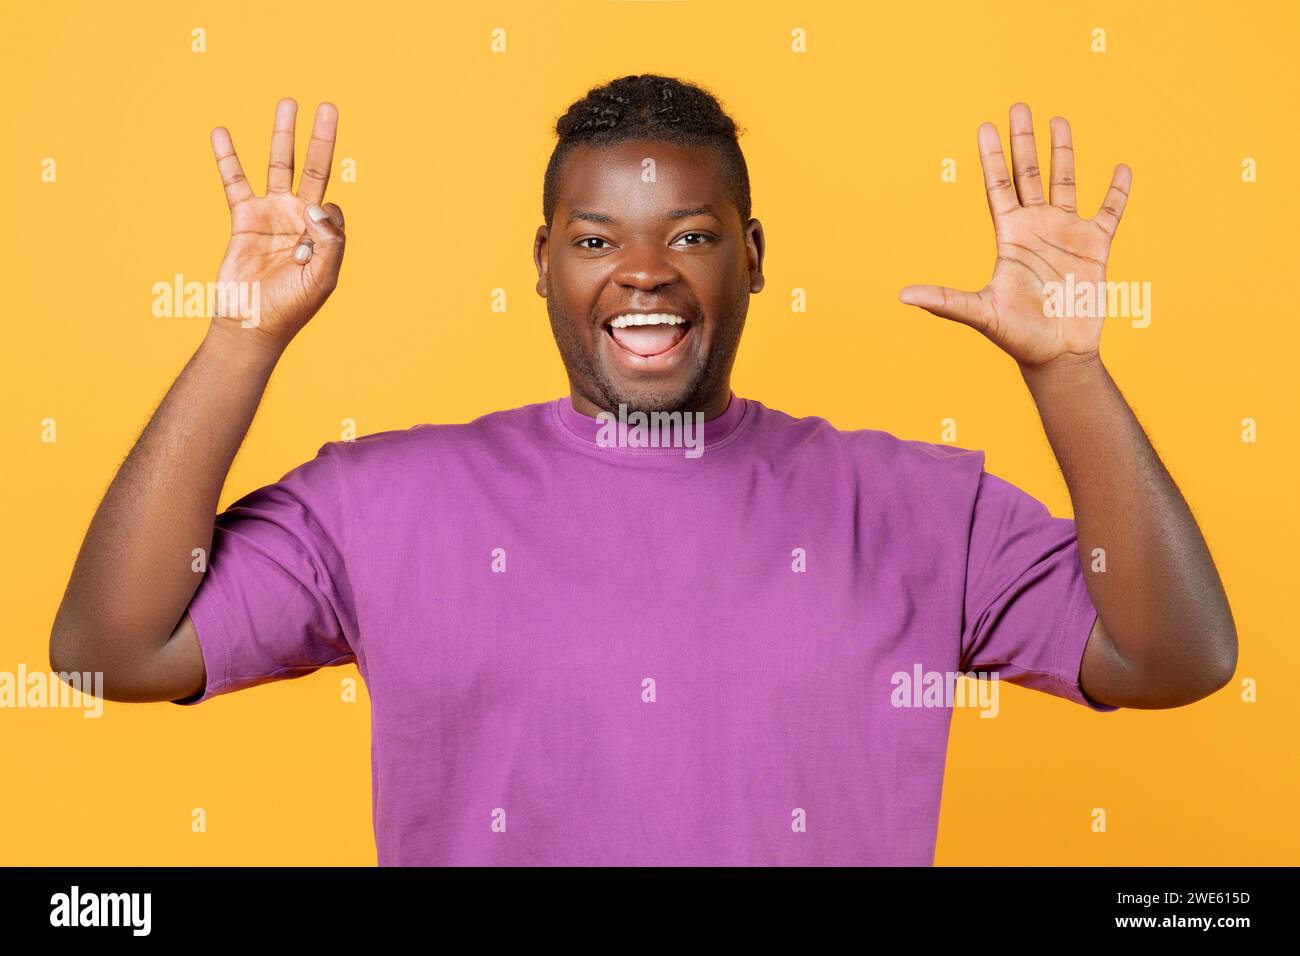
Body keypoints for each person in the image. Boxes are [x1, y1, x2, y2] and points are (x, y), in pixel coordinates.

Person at [50, 75, 1237, 865]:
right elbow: (108, 649)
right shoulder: (381, 501)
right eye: (597, 239)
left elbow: (1174, 657)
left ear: (754, 257)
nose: (644, 273)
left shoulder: (920, 506)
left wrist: (1068, 370)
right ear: (542, 261)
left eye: (691, 234)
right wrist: (239, 339)